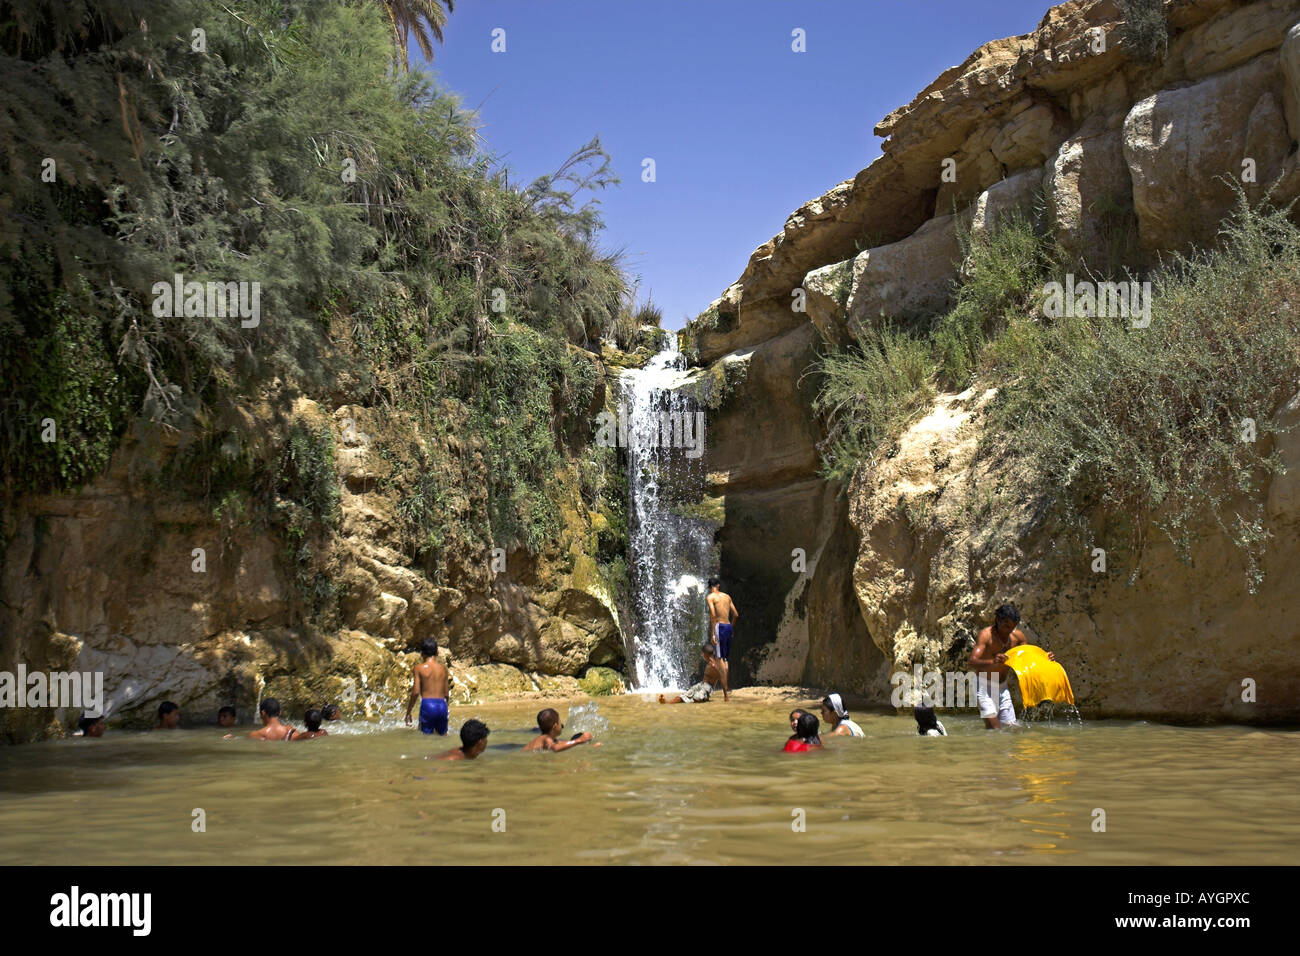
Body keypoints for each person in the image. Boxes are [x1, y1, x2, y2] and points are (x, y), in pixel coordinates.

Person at [969, 603, 1055, 729]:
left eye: (1012, 627)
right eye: (1006, 626)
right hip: (984, 687)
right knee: (994, 729)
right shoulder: (986, 635)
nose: (1008, 630)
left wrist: (1044, 658)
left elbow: (1027, 657)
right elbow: (972, 662)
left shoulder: (1018, 637)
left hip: (1003, 687)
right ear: (997, 620)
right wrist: (993, 661)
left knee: (1011, 729)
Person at [405, 637, 450, 735]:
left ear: (421, 653)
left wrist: (408, 712)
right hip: (442, 705)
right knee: (443, 737)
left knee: (425, 738)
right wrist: (446, 708)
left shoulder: (419, 668)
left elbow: (416, 692)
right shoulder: (443, 669)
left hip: (428, 705)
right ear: (437, 652)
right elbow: (446, 694)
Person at [659, 643, 729, 703]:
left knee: (696, 698)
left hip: (707, 688)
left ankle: (703, 698)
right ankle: (667, 703)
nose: (702, 655)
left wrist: (726, 696)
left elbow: (722, 678)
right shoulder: (710, 663)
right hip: (701, 684)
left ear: (705, 654)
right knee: (685, 695)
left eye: (703, 654)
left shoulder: (715, 666)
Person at [523, 708, 598, 752]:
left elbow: (564, 744)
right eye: (560, 723)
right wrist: (579, 740)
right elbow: (556, 748)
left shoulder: (550, 739)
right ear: (555, 726)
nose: (561, 726)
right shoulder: (546, 739)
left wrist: (590, 747)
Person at [706, 577, 739, 663]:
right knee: (725, 658)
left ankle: (723, 677)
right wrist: (731, 629)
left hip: (719, 627)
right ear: (718, 585)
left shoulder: (710, 597)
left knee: (719, 658)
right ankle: (725, 677)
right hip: (728, 626)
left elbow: (713, 615)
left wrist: (712, 633)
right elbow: (736, 615)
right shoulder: (727, 597)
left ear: (709, 587)